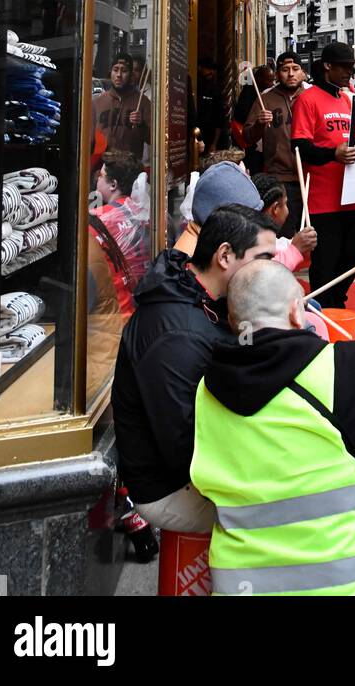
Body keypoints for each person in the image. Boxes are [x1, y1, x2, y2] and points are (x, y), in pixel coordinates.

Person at [191, 260, 355, 596]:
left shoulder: (206, 389)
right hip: (347, 588)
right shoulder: (342, 369)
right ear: (296, 313)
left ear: (233, 322)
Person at [111, 205, 277, 532]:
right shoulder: (177, 335)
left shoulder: (193, 287)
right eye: (264, 261)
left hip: (193, 460)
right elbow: (186, 449)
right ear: (225, 256)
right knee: (300, 504)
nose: (272, 273)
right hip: (170, 488)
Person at [291, 42, 355, 308]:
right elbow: (299, 147)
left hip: (353, 196)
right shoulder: (307, 99)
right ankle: (324, 308)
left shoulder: (347, 100)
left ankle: (337, 300)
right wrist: (332, 154)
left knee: (353, 256)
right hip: (323, 201)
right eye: (345, 67)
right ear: (327, 67)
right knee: (325, 261)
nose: (350, 72)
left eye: (351, 67)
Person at [244, 52, 309, 231]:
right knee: (284, 235)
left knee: (313, 237)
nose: (290, 74)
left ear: (303, 72)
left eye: (295, 69)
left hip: (311, 176)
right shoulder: (265, 98)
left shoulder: (312, 96)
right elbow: (247, 137)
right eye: (284, 70)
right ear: (277, 73)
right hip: (280, 178)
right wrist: (259, 124)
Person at [89, 151, 148, 316]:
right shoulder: (145, 213)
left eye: (101, 175)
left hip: (115, 311)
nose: (97, 179)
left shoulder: (98, 219)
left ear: (113, 184)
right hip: (143, 304)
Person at [92, 55, 151, 158]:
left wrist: (141, 124)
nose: (119, 75)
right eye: (115, 70)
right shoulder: (97, 102)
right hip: (103, 169)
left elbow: (154, 140)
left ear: (131, 75)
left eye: (124, 71)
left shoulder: (142, 102)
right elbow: (88, 141)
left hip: (131, 169)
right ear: (111, 73)